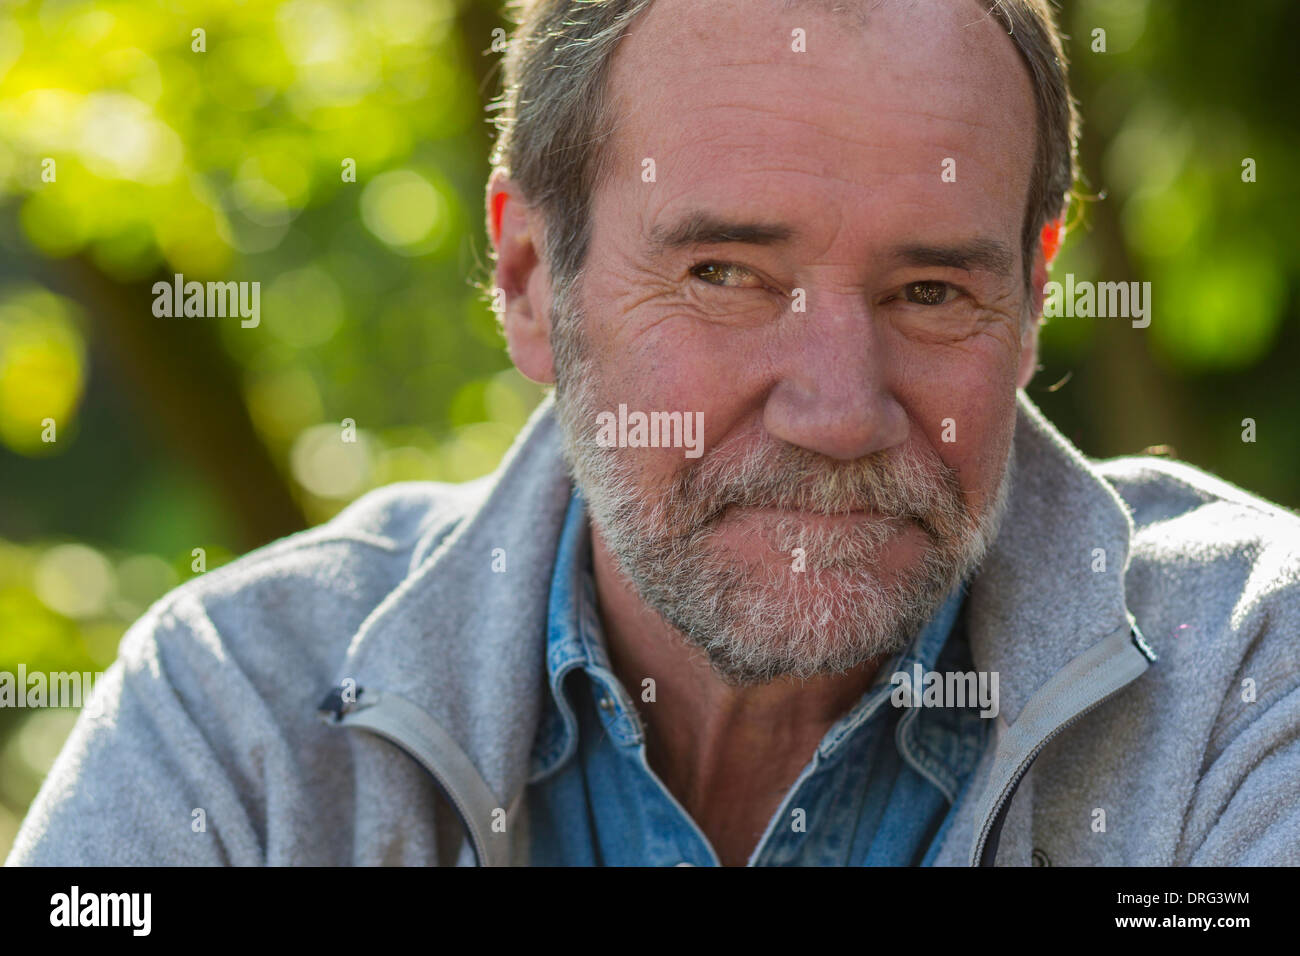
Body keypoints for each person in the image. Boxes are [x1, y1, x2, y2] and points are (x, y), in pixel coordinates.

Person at [9, 0, 1299, 867]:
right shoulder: (240, 712)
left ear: (1030, 305)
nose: (840, 410)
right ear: (530, 282)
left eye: (931, 292)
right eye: (726, 276)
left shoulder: (1247, 671)